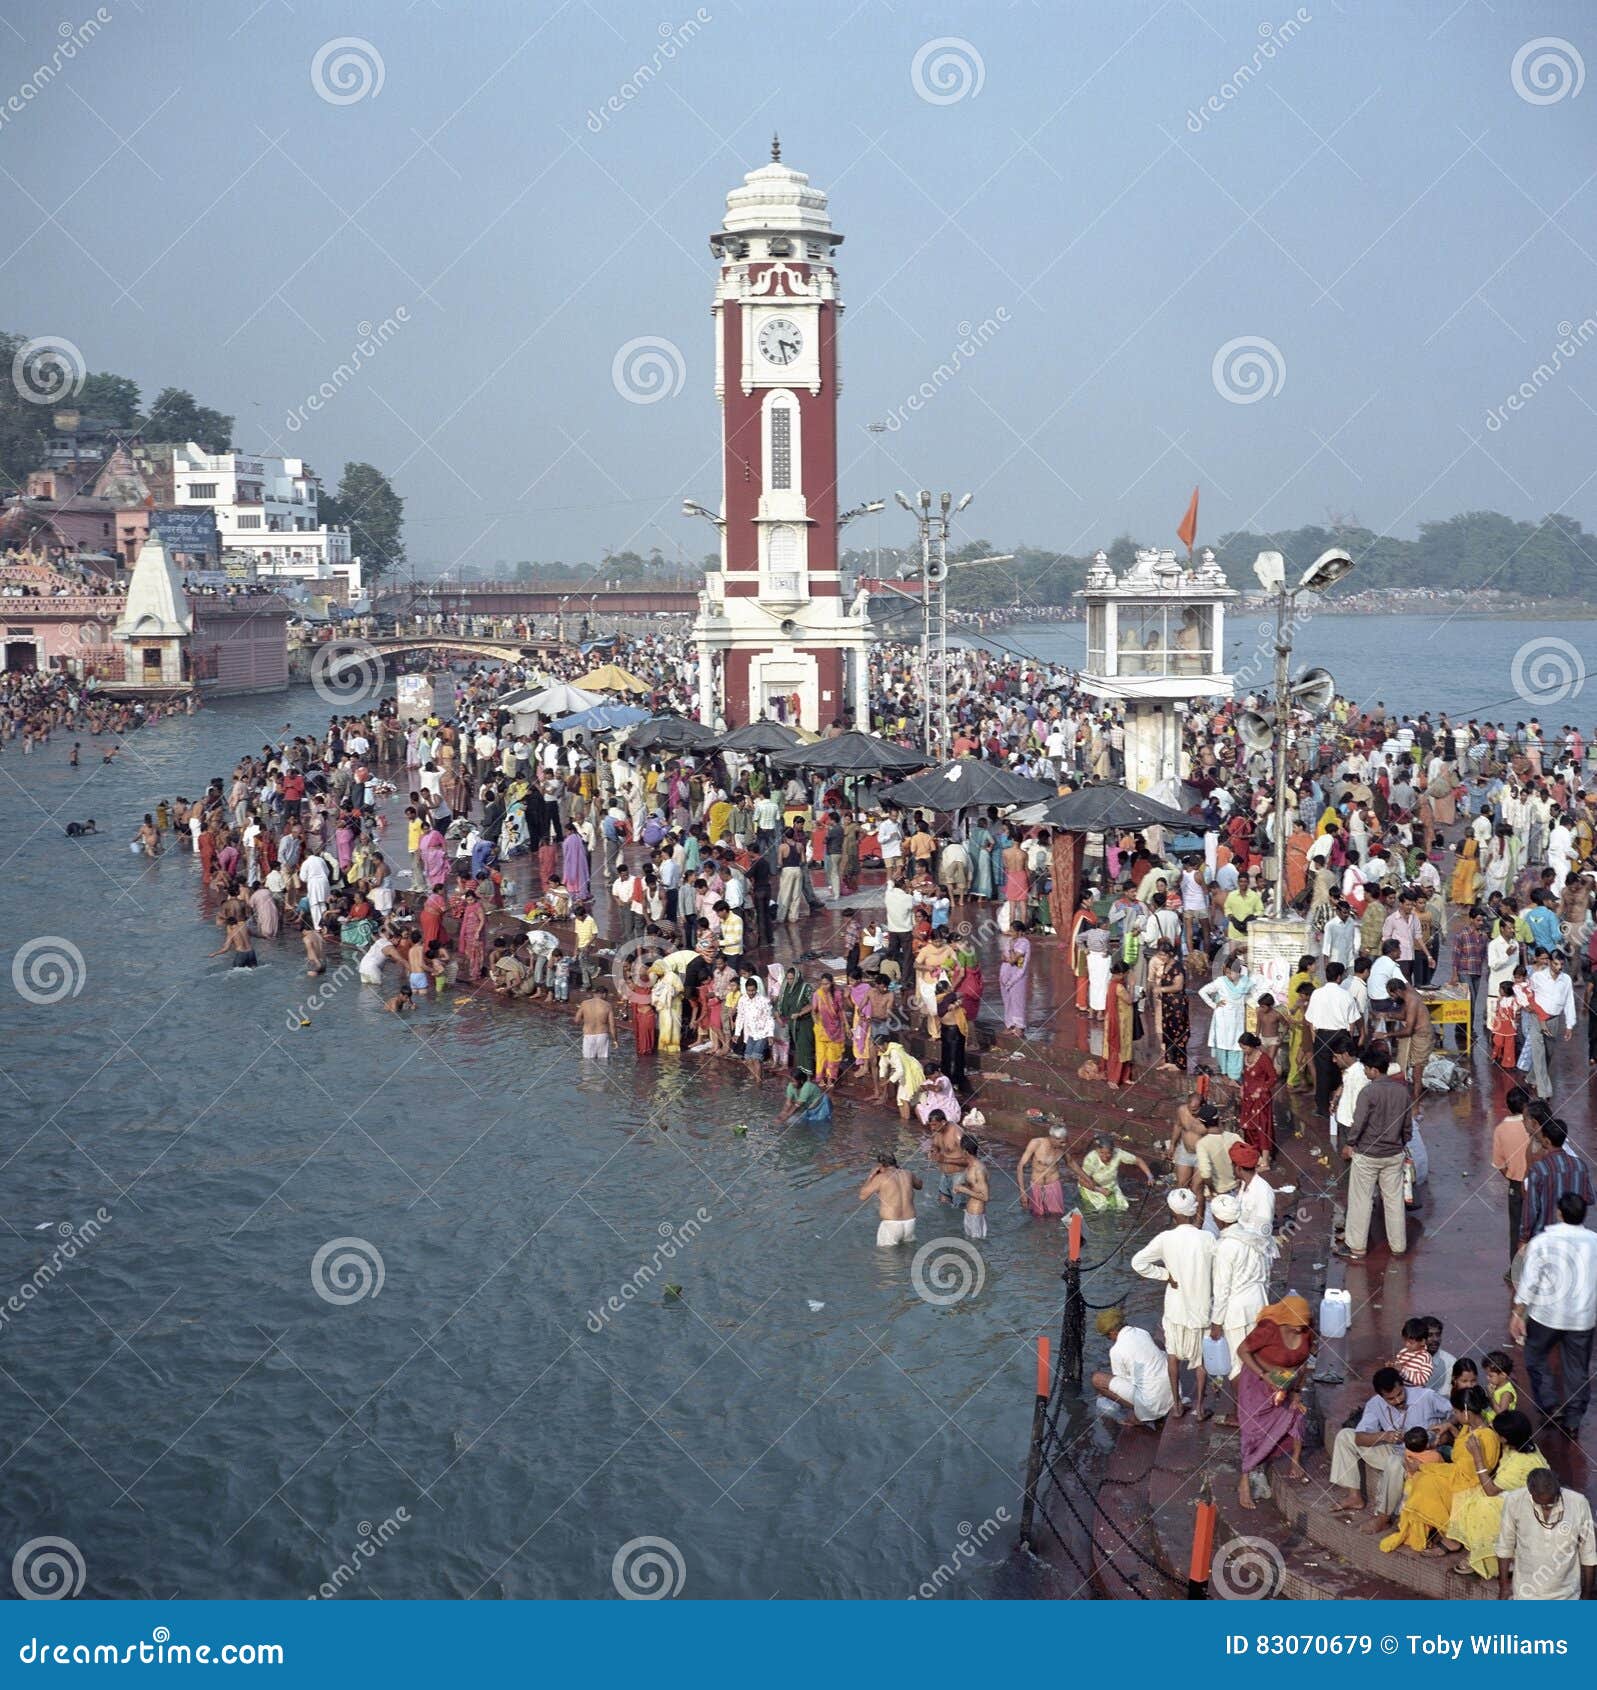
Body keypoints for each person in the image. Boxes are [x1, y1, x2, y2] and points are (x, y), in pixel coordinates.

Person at [1511, 1190, 1597, 1437]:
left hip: (1546, 1315)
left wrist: (1518, 1313)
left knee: (1534, 1357)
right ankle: (1573, 1420)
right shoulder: (1594, 1241)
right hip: (1582, 1318)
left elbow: (1529, 1282)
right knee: (1577, 1369)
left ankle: (1549, 1404)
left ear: (1559, 1213)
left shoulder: (1543, 1241)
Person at [1379, 1385, 1500, 1556]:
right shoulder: (1468, 1428)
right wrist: (1450, 1428)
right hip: (1459, 1476)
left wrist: (1421, 1466)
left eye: (1456, 1413)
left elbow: (1465, 1474)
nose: (1455, 1417)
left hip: (1470, 1485)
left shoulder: (1486, 1437)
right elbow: (1462, 1453)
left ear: (1466, 1412)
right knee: (1421, 1478)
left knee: (1425, 1482)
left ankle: (1450, 1539)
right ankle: (1432, 1530)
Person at [1329, 1366, 1453, 1532]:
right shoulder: (1375, 1404)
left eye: (1400, 1394)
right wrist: (1384, 1436)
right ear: (1381, 1396)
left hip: (1420, 1455)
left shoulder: (1425, 1395)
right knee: (1345, 1436)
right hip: (1391, 1448)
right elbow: (1360, 1438)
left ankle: (1382, 1517)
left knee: (1395, 1462)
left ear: (1403, 1385)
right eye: (1391, 1399)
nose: (1397, 1400)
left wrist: (1447, 1423)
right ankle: (1354, 1496)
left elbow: (1455, 1411)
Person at [1131, 1188, 1216, 1419]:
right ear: (1195, 1211)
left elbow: (1138, 1262)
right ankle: (1199, 1408)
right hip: (1201, 1307)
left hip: (1176, 1308)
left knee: (1173, 1356)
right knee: (1201, 1361)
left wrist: (1165, 1275)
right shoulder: (1207, 1238)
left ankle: (1177, 1406)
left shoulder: (1165, 1239)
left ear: (1172, 1212)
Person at [1234, 1295, 1315, 1509]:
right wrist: (1264, 1375)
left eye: (1304, 1324)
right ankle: (1244, 1480)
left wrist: (1297, 1389)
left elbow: (1305, 1361)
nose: (1301, 1329)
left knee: (1297, 1414)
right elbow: (1242, 1350)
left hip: (1286, 1381)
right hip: (1257, 1381)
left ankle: (1295, 1460)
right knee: (1253, 1430)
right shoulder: (1269, 1328)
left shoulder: (1307, 1331)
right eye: (1298, 1324)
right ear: (1286, 1318)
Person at [1447, 1410, 1547, 1581]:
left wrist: (1478, 1456)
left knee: (1481, 1505)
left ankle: (1491, 1558)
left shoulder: (1520, 1463)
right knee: (1465, 1493)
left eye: (1495, 1432)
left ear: (1504, 1439)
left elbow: (1491, 1490)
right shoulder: (1521, 1444)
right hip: (1517, 1497)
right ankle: (1476, 1547)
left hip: (1528, 1511)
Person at [1339, 1043, 1411, 1260]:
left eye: (1366, 1068)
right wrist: (1402, 1142)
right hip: (1394, 1153)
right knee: (1394, 1201)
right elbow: (1408, 1125)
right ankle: (1398, 1246)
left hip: (1367, 1155)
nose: (1364, 1071)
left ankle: (1357, 1247)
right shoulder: (1402, 1091)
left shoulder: (1368, 1092)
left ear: (1373, 1070)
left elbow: (1358, 1123)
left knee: (1361, 1201)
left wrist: (1350, 1143)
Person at [1497, 1468, 1597, 1600]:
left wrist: (1587, 1593)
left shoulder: (1578, 1503)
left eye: (1551, 1502)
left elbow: (1588, 1553)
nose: (1547, 1508)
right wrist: (1504, 1587)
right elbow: (1505, 1546)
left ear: (1557, 1488)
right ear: (1530, 1492)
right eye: (1542, 1504)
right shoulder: (1514, 1501)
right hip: (1525, 1594)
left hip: (1567, 1595)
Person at [1090, 1307, 1174, 1427]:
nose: (1109, 1339)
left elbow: (1123, 1381)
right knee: (1158, 1345)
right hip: (1172, 1395)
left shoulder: (1116, 1350)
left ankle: (1141, 1414)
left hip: (1152, 1405)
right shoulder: (1142, 1332)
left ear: (1113, 1332)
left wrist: (1103, 1393)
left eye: (1107, 1336)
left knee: (1097, 1379)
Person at [1070, 1131, 1150, 1214]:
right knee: (1101, 1209)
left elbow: (1138, 1160)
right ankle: (1076, 1220)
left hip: (1111, 1186)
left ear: (1112, 1151)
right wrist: (1099, 1189)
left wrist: (1149, 1176)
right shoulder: (1091, 1159)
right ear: (1097, 1150)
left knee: (1122, 1207)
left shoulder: (1117, 1153)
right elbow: (1081, 1180)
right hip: (1091, 1187)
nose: (1105, 1156)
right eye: (1102, 1153)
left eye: (1108, 1153)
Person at [1198, 956, 1251, 1079]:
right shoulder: (1220, 982)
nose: (1229, 975)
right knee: (1222, 1045)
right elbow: (1202, 991)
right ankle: (1224, 1072)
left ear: (1238, 971)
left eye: (1231, 972)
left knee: (1237, 1046)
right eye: (1227, 972)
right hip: (1222, 1020)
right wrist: (1213, 1005)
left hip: (1237, 1020)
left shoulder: (1245, 981)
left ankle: (1235, 1075)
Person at [858, 1151, 921, 1247]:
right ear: (895, 1162)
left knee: (887, 1259)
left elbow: (862, 1196)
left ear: (880, 1165)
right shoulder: (908, 1173)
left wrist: (871, 1176)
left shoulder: (881, 1178)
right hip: (910, 1223)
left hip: (891, 1224)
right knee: (908, 1256)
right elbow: (919, 1185)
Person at [1236, 1032, 1279, 1168]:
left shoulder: (1263, 1059)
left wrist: (1260, 1090)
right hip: (1248, 1097)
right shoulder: (1246, 1056)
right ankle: (1255, 1154)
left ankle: (1265, 1160)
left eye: (1245, 1048)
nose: (1243, 1051)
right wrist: (1242, 1087)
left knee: (1262, 1128)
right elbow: (1245, 1075)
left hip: (1261, 1099)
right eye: (1242, 1048)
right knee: (1248, 1127)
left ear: (1252, 1046)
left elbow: (1273, 1078)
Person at [1017, 1123, 1071, 1218]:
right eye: (1062, 1142)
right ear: (1053, 1138)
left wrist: (1088, 1181)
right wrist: (1022, 1192)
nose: (1064, 1145)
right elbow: (1020, 1166)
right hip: (1036, 1186)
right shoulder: (1036, 1143)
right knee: (1037, 1216)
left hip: (1053, 1186)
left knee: (1057, 1216)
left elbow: (1072, 1163)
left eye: (1065, 1142)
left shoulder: (1061, 1147)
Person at [952, 1135, 989, 1241]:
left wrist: (964, 1190)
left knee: (976, 1248)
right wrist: (960, 1187)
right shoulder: (970, 1166)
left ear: (965, 1151)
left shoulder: (979, 1170)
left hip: (976, 1214)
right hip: (970, 1212)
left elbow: (985, 1197)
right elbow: (974, 1188)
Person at [573, 987, 614, 1060]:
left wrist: (586, 1021)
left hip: (588, 1034)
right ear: (604, 994)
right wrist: (615, 1039)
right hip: (602, 1034)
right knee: (603, 1061)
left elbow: (576, 1020)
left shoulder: (584, 1003)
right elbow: (612, 1025)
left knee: (587, 1062)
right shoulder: (607, 1005)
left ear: (594, 994)